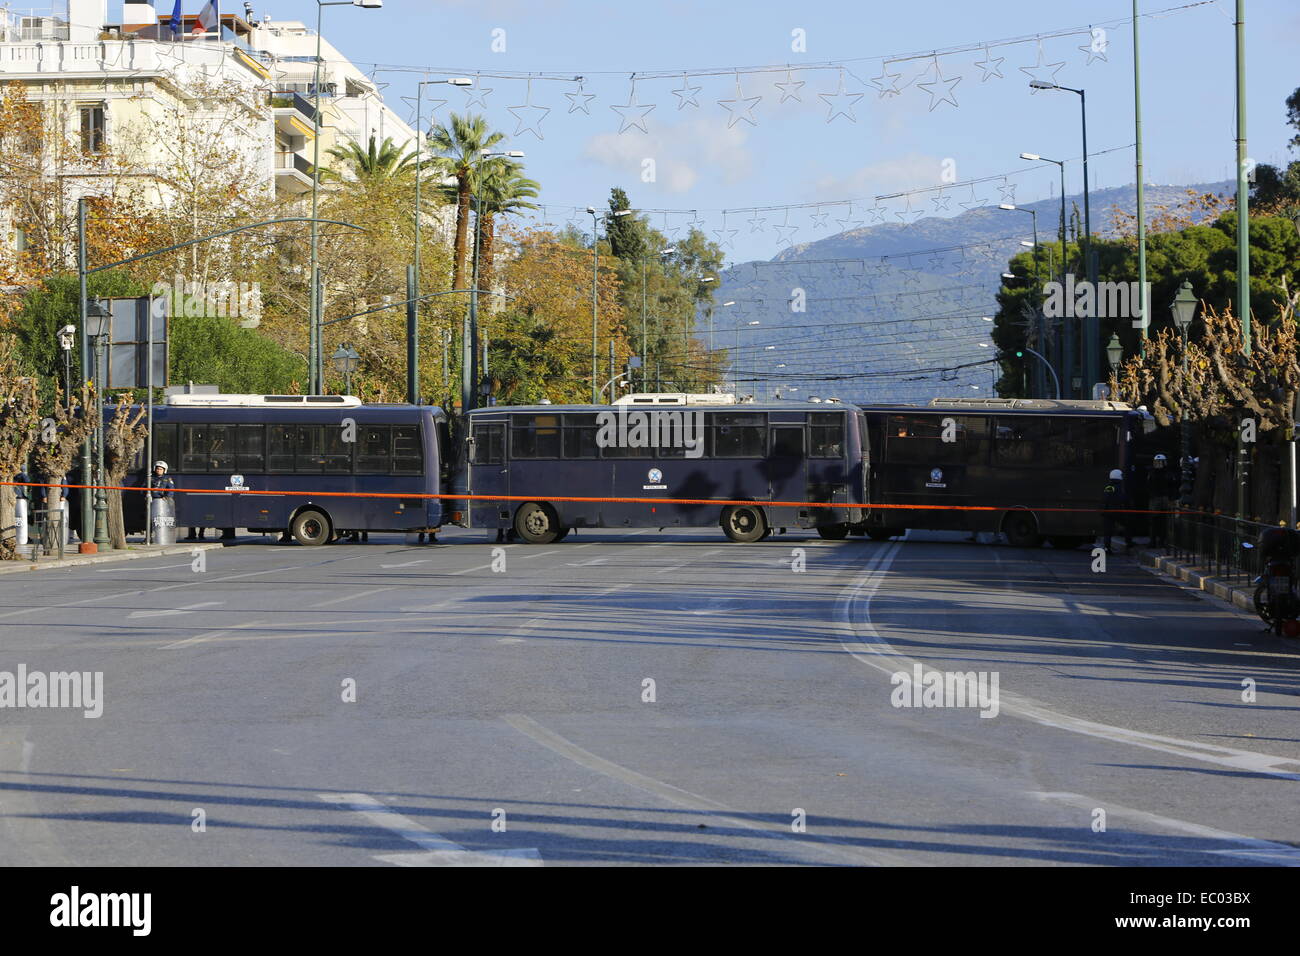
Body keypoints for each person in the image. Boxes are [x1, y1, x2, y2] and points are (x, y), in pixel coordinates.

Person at [1146, 454, 1176, 548]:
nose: (1159, 464)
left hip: (1164, 498)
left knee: (1164, 521)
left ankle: (1162, 541)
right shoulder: (1152, 472)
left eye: (1160, 462)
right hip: (1157, 498)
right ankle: (1154, 541)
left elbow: (1172, 486)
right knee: (1154, 521)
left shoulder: (1168, 473)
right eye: (1157, 462)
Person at [1102, 468, 1133, 554]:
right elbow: (1123, 499)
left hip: (1108, 512)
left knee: (1107, 531)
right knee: (1128, 524)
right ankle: (1128, 543)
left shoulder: (1108, 487)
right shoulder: (1119, 487)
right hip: (1117, 511)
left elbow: (1105, 499)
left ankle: (1107, 548)